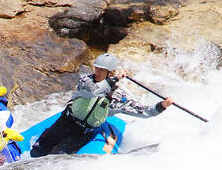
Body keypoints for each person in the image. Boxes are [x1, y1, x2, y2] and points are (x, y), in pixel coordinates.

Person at [29, 52, 172, 157]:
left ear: (109, 72)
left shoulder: (118, 97)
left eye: (102, 70)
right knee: (36, 153)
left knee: (55, 159)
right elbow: (94, 92)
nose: (97, 72)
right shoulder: (86, 81)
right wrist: (115, 78)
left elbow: (146, 112)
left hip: (82, 133)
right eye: (96, 68)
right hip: (64, 123)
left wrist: (162, 105)